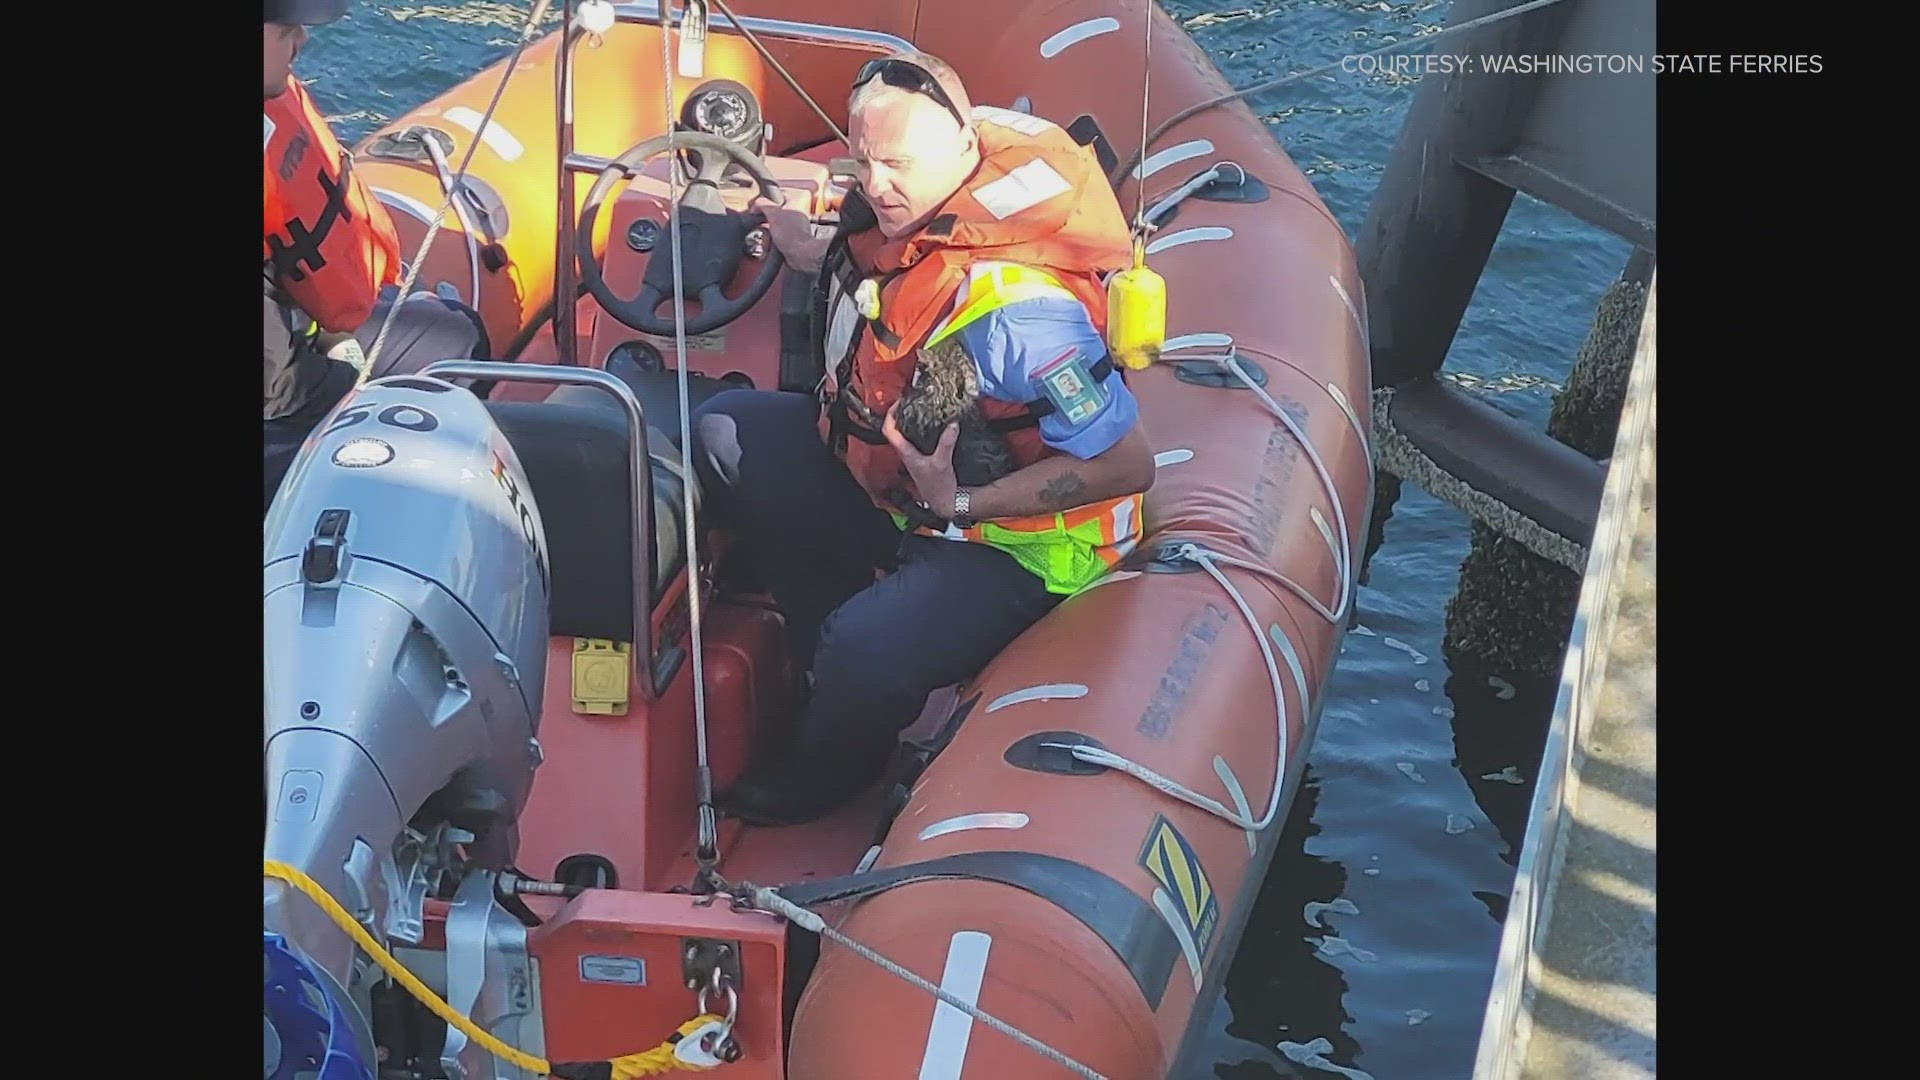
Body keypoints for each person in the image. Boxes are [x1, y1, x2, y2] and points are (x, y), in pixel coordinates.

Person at [691, 49, 1156, 825]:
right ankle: (828, 654)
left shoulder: (1030, 318)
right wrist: (801, 242)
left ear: (964, 152)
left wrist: (968, 500)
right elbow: (869, 265)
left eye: (898, 164)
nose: (877, 185)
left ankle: (839, 760)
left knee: (865, 648)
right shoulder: (901, 218)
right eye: (864, 160)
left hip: (1014, 545)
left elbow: (1129, 462)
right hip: (908, 493)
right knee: (729, 439)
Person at [264, 0, 493, 509]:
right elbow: (273, 388)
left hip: (300, 330)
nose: (301, 41)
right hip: (280, 400)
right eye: (286, 30)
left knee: (451, 327)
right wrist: (355, 386)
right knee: (448, 353)